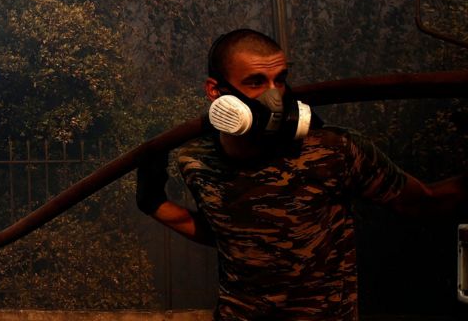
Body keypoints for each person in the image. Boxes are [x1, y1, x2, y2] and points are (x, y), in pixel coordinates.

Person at [136, 28, 467, 320]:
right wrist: (154, 203)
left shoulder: (334, 150)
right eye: (256, 82)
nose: (275, 95)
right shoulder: (196, 159)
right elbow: (229, 235)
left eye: (279, 79)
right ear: (215, 92)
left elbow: (426, 202)